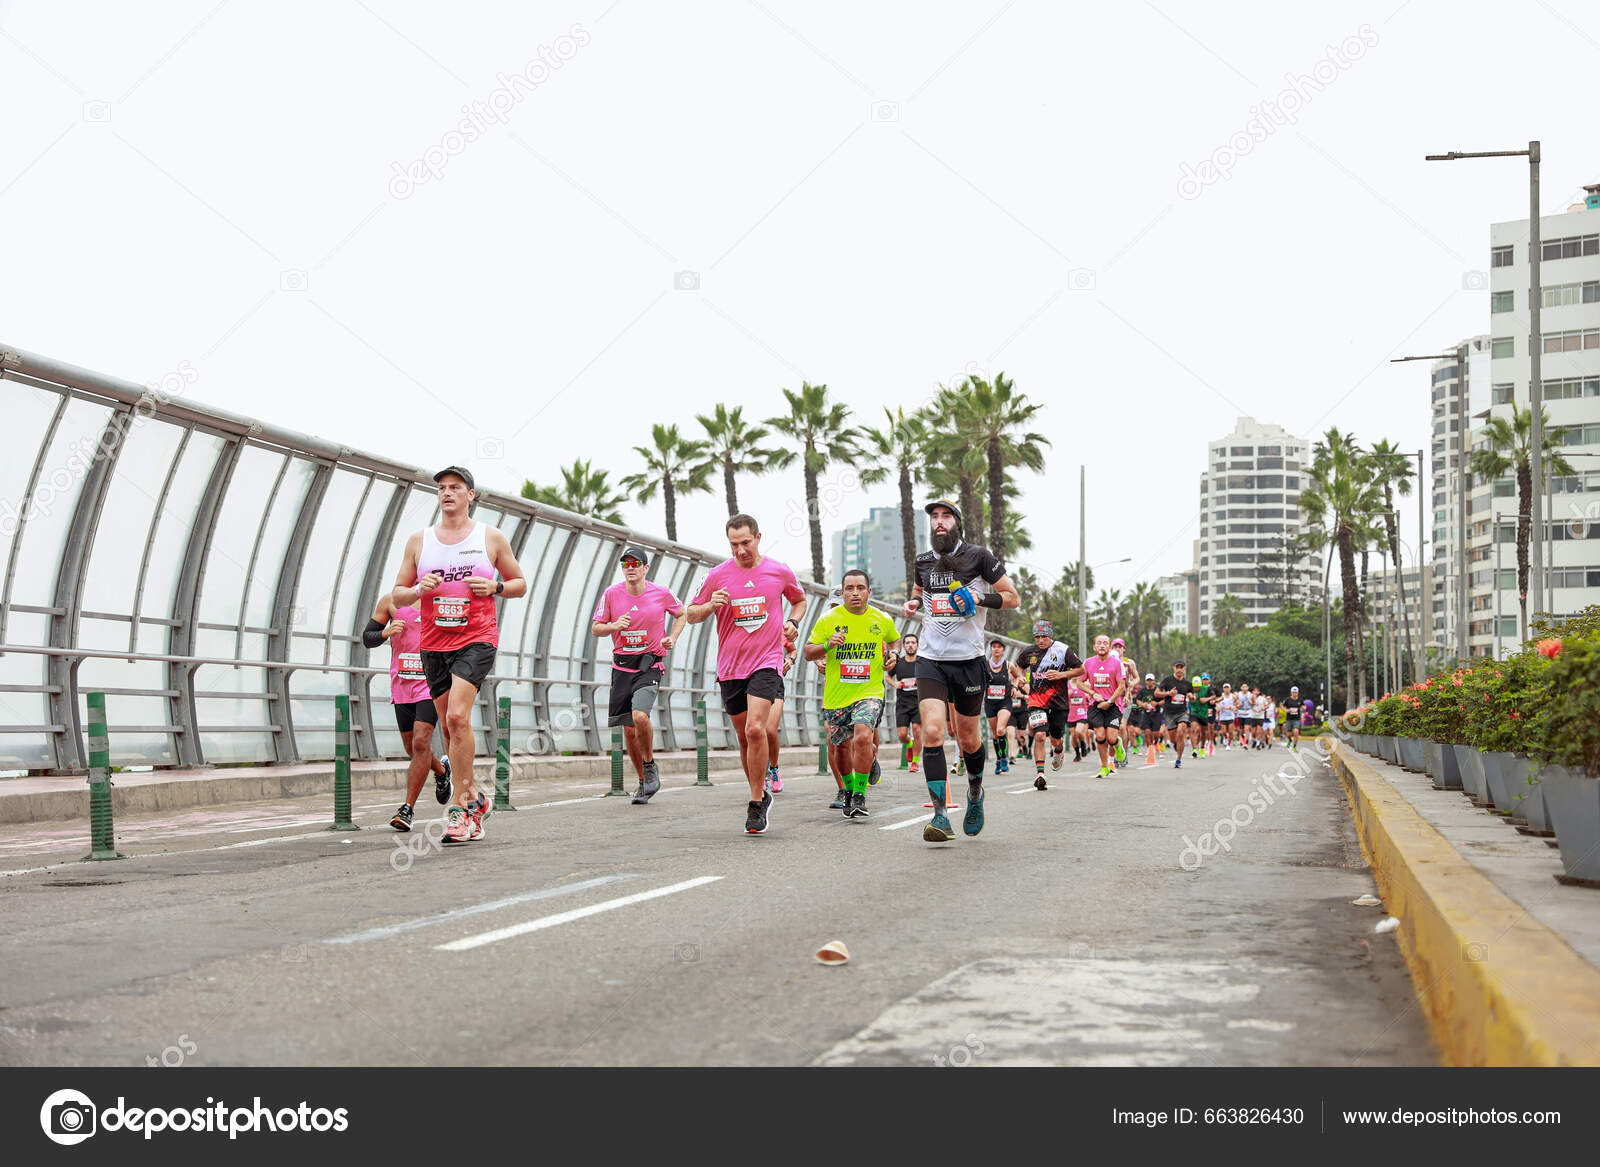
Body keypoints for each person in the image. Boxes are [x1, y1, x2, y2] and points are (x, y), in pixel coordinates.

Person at [390, 466, 527, 844]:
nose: (447, 493)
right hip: (434, 644)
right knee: (451, 729)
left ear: (471, 495)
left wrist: (495, 586)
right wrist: (419, 589)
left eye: (455, 487)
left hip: (477, 638)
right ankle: (476, 801)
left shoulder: (491, 537)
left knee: (456, 716)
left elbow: (520, 584)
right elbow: (396, 595)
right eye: (442, 488)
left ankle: (458, 810)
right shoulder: (420, 540)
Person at [901, 499, 1020, 842]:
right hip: (930, 659)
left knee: (968, 738)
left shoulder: (979, 556)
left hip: (968, 661)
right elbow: (919, 590)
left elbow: (1012, 598)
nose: (939, 522)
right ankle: (940, 816)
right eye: (935, 517)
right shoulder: (923, 560)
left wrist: (979, 600)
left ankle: (975, 792)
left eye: (946, 517)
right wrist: (913, 602)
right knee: (934, 731)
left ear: (957, 523)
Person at [685, 514, 807, 835]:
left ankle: (755, 802)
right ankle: (761, 791)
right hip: (731, 667)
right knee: (743, 737)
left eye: (745, 543)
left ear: (757, 537)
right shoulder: (717, 575)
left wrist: (793, 623)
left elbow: (799, 600)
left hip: (766, 662)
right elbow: (691, 613)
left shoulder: (779, 570)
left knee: (756, 729)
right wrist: (710, 605)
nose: (740, 550)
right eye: (734, 544)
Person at [592, 545, 686, 805]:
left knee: (639, 716)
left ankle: (649, 767)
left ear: (646, 568)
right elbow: (596, 628)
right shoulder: (612, 594)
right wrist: (614, 625)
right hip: (622, 667)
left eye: (636, 564)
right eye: (626, 564)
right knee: (630, 731)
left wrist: (672, 638)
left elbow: (682, 613)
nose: (630, 568)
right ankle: (645, 780)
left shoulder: (661, 593)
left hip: (650, 666)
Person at [804, 569, 899, 819]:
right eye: (849, 588)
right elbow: (807, 652)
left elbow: (895, 641)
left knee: (863, 736)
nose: (855, 593)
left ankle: (859, 794)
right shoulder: (828, 620)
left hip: (870, 691)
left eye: (860, 588)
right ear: (843, 592)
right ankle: (846, 791)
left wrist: (894, 655)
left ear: (868, 591)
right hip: (837, 695)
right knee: (841, 748)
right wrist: (827, 645)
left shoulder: (882, 619)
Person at [367, 593, 451, 832]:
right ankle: (442, 771)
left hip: (431, 684)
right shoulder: (390, 602)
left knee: (421, 740)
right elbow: (367, 638)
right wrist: (385, 633)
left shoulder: (443, 603)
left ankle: (407, 809)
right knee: (411, 748)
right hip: (402, 684)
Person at [1013, 620, 1085, 790]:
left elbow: (1081, 670)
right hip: (1036, 700)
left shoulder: (1062, 650)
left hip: (1058, 702)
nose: (1040, 640)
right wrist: (1021, 677)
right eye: (1037, 637)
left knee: (1056, 740)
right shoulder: (1029, 652)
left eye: (1044, 636)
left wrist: (1061, 674)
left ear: (1050, 635)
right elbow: (1018, 667)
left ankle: (1058, 752)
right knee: (1039, 736)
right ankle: (1040, 774)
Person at [1073, 634, 1127, 779]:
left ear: (1109, 647)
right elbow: (1079, 683)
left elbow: (1121, 686)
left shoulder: (1116, 663)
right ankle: (1104, 767)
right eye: (1099, 643)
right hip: (1095, 705)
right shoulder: (1088, 663)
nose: (1102, 645)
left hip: (1113, 705)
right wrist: (1092, 693)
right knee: (1101, 736)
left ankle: (1117, 744)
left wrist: (1109, 702)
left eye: (1105, 643)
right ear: (1094, 647)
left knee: (1111, 738)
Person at [889, 634, 923, 775]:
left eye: (913, 643)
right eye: (907, 643)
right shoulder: (899, 663)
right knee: (902, 735)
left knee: (917, 730)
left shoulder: (922, 663)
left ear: (917, 645)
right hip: (902, 704)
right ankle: (909, 743)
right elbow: (887, 676)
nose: (910, 645)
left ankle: (915, 762)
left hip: (918, 703)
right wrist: (894, 683)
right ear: (903, 646)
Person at [983, 639, 1016, 775]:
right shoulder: (985, 665)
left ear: (1003, 650)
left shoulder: (1008, 665)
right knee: (996, 734)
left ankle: (1004, 758)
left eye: (999, 647)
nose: (996, 649)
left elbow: (1016, 676)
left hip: (1004, 702)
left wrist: (1014, 686)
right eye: (994, 647)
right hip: (990, 703)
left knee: (1001, 730)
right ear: (991, 649)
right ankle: (998, 759)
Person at [1156, 659, 1194, 770]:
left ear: (1184, 669)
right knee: (1174, 738)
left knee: (1181, 731)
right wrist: (1168, 693)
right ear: (1174, 668)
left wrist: (1192, 697)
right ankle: (1176, 745)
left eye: (1181, 667)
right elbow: (1156, 693)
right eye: (1177, 667)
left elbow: (1192, 695)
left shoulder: (1187, 684)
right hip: (1169, 713)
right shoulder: (1167, 681)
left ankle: (1178, 759)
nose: (1179, 670)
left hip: (1182, 712)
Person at [1131, 672, 1162, 767]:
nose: (1149, 682)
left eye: (1151, 680)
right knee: (1147, 732)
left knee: (1156, 734)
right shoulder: (1143, 691)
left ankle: (1156, 743)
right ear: (1145, 681)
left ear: (1154, 681)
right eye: (1148, 680)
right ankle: (1150, 749)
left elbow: (1164, 700)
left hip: (1156, 714)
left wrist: (1157, 704)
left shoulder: (1157, 691)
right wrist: (1143, 704)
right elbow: (1138, 700)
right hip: (1146, 714)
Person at [1189, 672, 1216, 758]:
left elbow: (1214, 696)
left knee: (1203, 733)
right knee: (1195, 729)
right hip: (1194, 713)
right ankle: (1194, 749)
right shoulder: (1190, 690)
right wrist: (1190, 697)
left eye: (1198, 686)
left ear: (1201, 684)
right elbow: (1188, 695)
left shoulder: (1206, 689)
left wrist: (1206, 699)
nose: (1196, 688)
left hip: (1204, 713)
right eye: (1195, 686)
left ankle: (1202, 748)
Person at [1283, 685, 1304, 750]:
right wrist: (1286, 710)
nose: (1295, 694)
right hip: (1289, 719)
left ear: (1298, 693)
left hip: (1296, 719)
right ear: (1291, 693)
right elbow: (1283, 706)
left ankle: (1294, 746)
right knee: (1288, 734)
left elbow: (1303, 706)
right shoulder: (1287, 700)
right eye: (1293, 692)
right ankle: (1290, 740)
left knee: (1296, 731)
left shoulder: (1300, 700)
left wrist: (1304, 707)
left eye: (1296, 692)